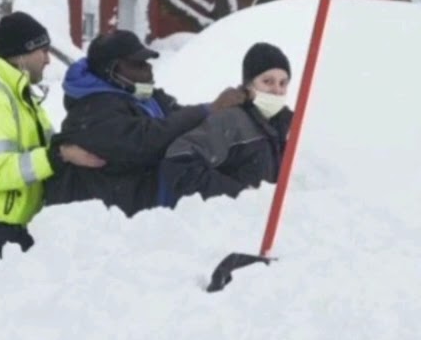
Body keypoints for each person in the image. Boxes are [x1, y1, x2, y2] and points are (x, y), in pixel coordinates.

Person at [0, 11, 105, 257]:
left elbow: (45, 145)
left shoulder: (16, 93)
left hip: (8, 225)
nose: (48, 60)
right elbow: (0, 171)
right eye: (43, 51)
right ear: (23, 54)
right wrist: (60, 155)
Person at [43, 29, 249, 216]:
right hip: (110, 227)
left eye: (148, 63)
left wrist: (225, 109)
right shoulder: (92, 109)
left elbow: (178, 118)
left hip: (148, 206)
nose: (148, 69)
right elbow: (146, 139)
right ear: (111, 70)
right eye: (137, 64)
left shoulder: (142, 96)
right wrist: (208, 109)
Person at [159, 42, 294, 206]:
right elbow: (179, 162)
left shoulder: (290, 127)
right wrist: (238, 196)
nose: (277, 90)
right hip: (235, 226)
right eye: (267, 81)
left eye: (283, 83)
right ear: (249, 85)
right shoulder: (231, 120)